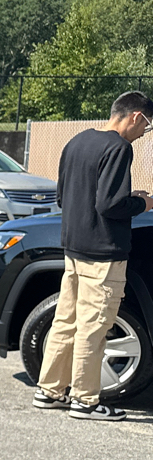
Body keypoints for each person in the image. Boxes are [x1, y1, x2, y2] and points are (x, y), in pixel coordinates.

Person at [34, 90, 153, 420]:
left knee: (66, 320)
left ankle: (49, 390)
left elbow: (61, 196)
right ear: (135, 116)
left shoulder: (77, 142)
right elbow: (111, 204)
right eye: (147, 125)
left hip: (73, 248)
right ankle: (85, 401)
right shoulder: (118, 148)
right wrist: (143, 202)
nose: (145, 133)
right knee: (93, 326)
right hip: (104, 253)